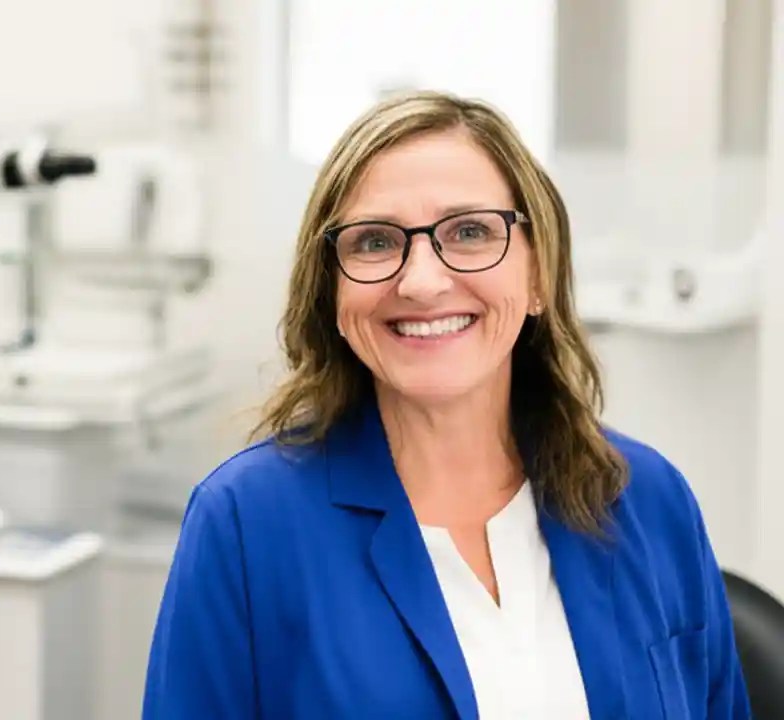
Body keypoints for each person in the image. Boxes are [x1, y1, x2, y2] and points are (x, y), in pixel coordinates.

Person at [142, 90, 752, 719]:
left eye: (470, 232)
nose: (423, 281)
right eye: (375, 242)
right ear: (331, 290)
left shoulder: (649, 498)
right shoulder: (245, 524)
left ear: (538, 273)